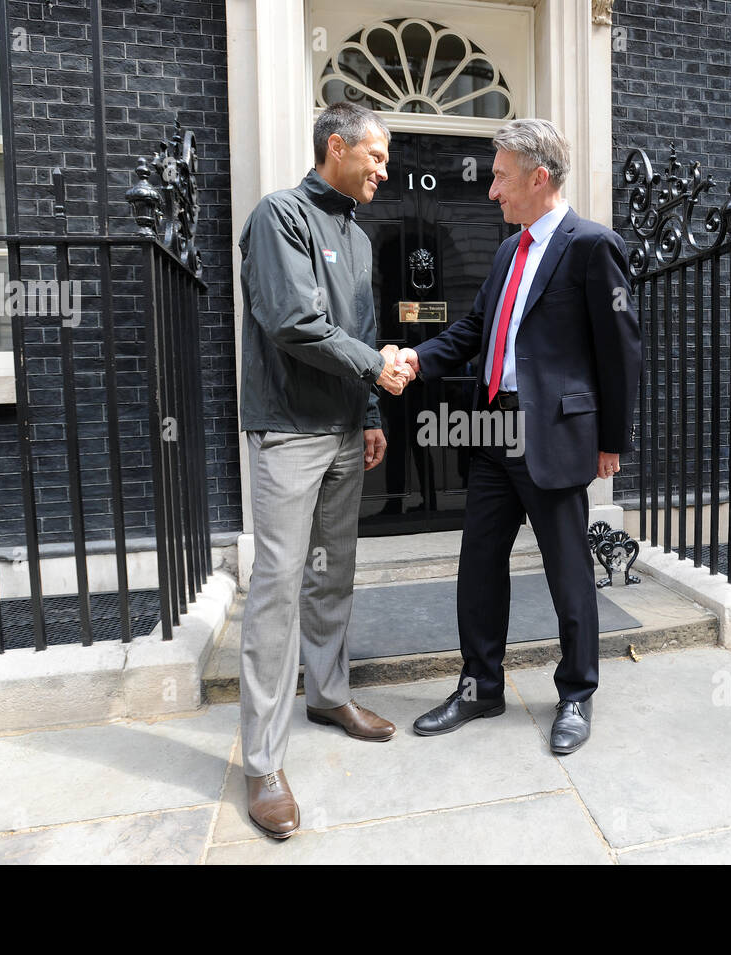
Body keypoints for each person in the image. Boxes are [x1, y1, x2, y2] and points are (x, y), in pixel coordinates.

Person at [395, 118, 640, 754]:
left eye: (501, 177)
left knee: (568, 572)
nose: (491, 190)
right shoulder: (509, 251)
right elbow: (474, 330)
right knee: (479, 564)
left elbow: (621, 352)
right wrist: (416, 359)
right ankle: (480, 686)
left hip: (554, 434)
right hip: (494, 430)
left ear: (539, 177)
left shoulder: (592, 245)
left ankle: (577, 694)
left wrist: (611, 441)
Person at [236, 102, 411, 839]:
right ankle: (262, 762)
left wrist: (370, 415)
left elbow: (361, 330)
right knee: (277, 587)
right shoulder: (279, 215)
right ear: (335, 146)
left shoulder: (359, 239)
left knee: (333, 572)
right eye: (375, 156)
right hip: (288, 430)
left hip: (343, 432)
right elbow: (292, 322)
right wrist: (376, 366)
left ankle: (327, 694)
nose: (384, 170)